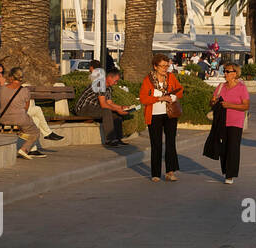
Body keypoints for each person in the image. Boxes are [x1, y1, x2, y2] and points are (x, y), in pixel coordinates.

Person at [140, 53, 183, 183]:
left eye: (167, 65)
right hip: (154, 115)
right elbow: (143, 98)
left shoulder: (171, 77)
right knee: (156, 144)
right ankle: (156, 173)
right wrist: (159, 98)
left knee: (170, 142)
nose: (165, 68)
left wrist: (173, 97)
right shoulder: (148, 80)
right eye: (162, 66)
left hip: (170, 113)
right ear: (155, 66)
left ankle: (170, 172)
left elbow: (180, 90)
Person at [211, 64, 250, 183]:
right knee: (223, 148)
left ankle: (230, 174)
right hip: (221, 121)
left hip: (235, 122)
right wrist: (213, 102)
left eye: (228, 71)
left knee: (233, 148)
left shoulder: (241, 88)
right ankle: (225, 170)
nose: (225, 74)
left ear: (235, 73)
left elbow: (246, 106)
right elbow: (212, 102)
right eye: (224, 71)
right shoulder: (220, 86)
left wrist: (229, 105)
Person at [77, 68, 134, 146]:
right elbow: (104, 105)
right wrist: (118, 109)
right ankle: (110, 140)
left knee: (116, 114)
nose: (116, 83)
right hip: (83, 108)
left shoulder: (108, 88)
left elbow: (110, 103)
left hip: (94, 107)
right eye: (115, 81)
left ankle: (118, 138)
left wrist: (121, 107)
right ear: (109, 78)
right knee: (106, 111)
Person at [0, 68, 42, 159]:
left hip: (3, 119)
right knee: (36, 132)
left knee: (27, 124)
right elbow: (26, 108)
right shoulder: (25, 91)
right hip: (20, 119)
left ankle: (22, 134)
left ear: (11, 77)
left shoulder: (2, 89)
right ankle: (24, 149)